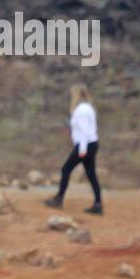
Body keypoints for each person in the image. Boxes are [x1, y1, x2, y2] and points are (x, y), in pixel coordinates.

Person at [44, 84, 103, 216]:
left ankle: (59, 199)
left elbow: (83, 130)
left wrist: (81, 149)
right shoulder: (89, 108)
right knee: (91, 174)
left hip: (85, 144)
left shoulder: (80, 110)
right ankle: (98, 204)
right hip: (92, 143)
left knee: (66, 169)